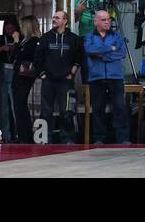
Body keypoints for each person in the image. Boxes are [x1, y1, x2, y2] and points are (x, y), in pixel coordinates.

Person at [35, 10, 82, 144]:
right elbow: (38, 58)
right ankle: (43, 139)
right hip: (48, 80)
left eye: (57, 17)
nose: (54, 19)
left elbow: (79, 58)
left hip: (65, 81)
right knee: (45, 111)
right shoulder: (46, 37)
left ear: (65, 21)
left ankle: (67, 138)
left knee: (67, 111)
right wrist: (43, 75)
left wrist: (71, 73)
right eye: (54, 17)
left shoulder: (74, 38)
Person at [84, 10, 130, 144]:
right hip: (96, 77)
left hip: (115, 77)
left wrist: (101, 54)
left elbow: (121, 54)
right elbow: (89, 50)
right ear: (96, 21)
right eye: (103, 20)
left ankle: (123, 138)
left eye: (108, 19)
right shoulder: (89, 37)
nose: (107, 22)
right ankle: (99, 138)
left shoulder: (117, 36)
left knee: (120, 107)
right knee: (98, 108)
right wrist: (110, 49)